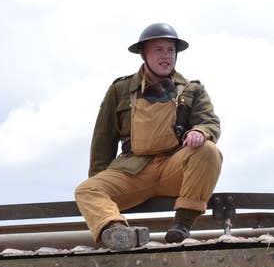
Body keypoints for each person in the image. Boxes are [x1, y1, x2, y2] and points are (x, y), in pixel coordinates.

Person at [75, 22, 222, 251]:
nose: (166, 56)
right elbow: (103, 139)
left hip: (174, 167)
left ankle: (182, 225)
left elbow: (210, 122)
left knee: (209, 151)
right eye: (159, 50)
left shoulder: (192, 90)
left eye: (171, 50)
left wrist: (199, 132)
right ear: (143, 54)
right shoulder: (120, 90)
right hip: (133, 171)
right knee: (87, 189)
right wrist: (102, 185)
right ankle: (117, 231)